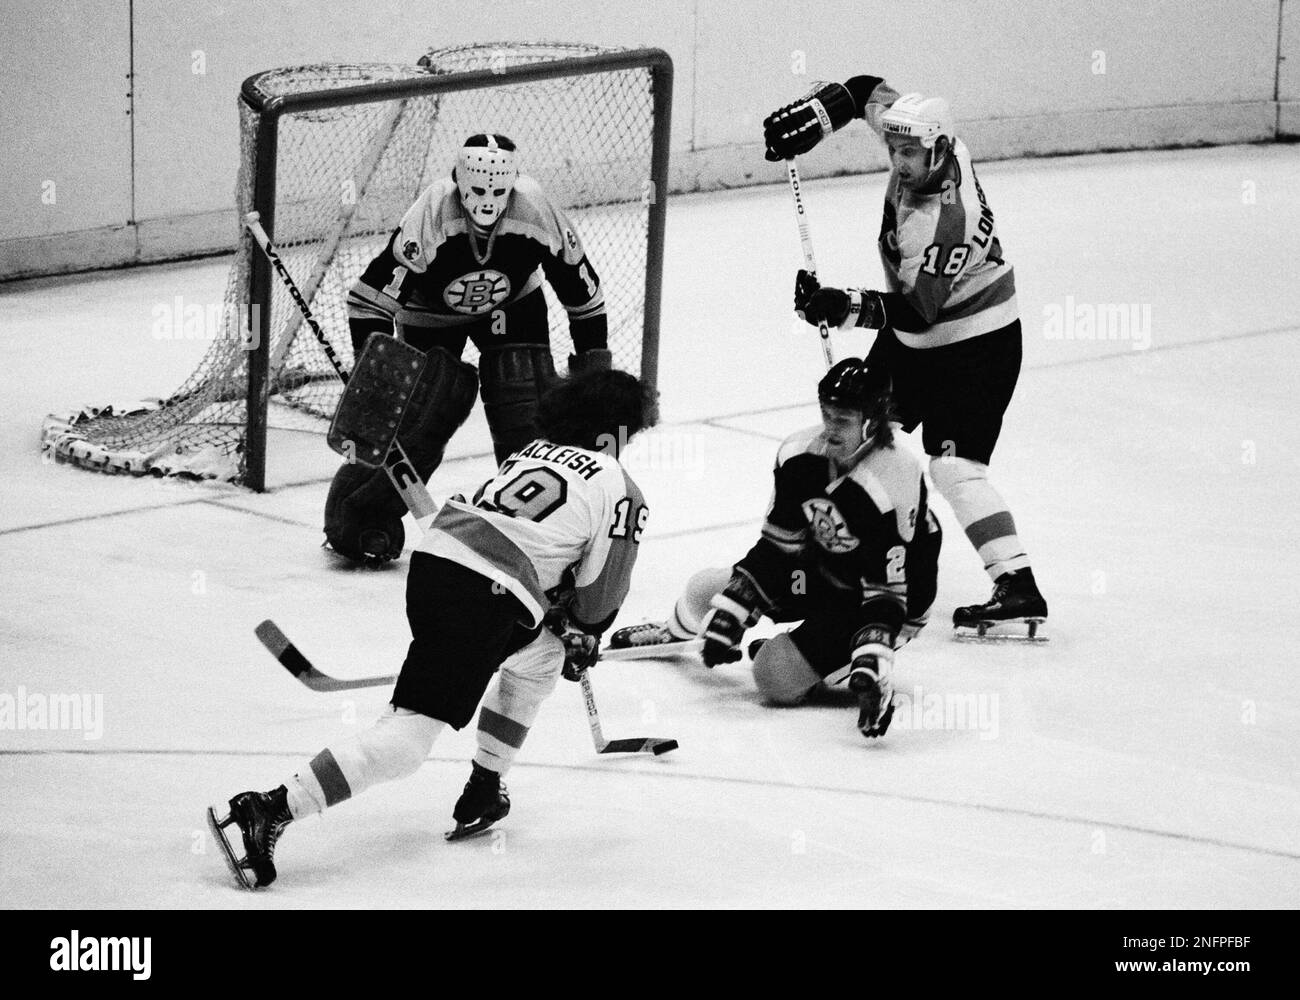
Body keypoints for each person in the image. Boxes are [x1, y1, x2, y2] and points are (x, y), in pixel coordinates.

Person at [211, 369, 654, 889]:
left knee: (539, 656)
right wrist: (585, 629)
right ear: (615, 432)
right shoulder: (619, 485)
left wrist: (563, 630)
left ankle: (486, 782)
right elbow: (602, 593)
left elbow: (531, 540)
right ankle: (271, 807)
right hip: (487, 594)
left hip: (437, 565)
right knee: (405, 744)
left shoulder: (533, 451)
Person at [762, 78, 1047, 635]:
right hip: (917, 340)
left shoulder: (943, 219)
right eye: (893, 149)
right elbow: (868, 88)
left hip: (977, 343)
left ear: (939, 148)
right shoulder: (924, 134)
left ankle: (1017, 584)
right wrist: (821, 117)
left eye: (908, 152)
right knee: (859, 437)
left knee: (953, 467)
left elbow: (919, 312)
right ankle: (832, 553)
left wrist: (846, 305)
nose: (898, 160)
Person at [612, 358, 941, 739]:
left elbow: (886, 594)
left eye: (842, 420)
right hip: (822, 571)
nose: (830, 429)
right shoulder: (800, 454)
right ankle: (675, 631)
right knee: (706, 589)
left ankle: (844, 664)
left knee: (773, 679)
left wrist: (873, 659)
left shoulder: (895, 477)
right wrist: (734, 610)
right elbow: (778, 547)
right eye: (826, 415)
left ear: (872, 423)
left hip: (882, 600)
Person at [325, 132, 613, 564]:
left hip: (514, 305)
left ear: (513, 185)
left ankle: (536, 524)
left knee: (529, 402)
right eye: (477, 190)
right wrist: (380, 385)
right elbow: (368, 301)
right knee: (421, 415)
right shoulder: (432, 214)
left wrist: (595, 376)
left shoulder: (535, 209)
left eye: (499, 191)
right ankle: (359, 518)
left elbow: (584, 297)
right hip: (429, 314)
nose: (487, 201)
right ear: (458, 181)